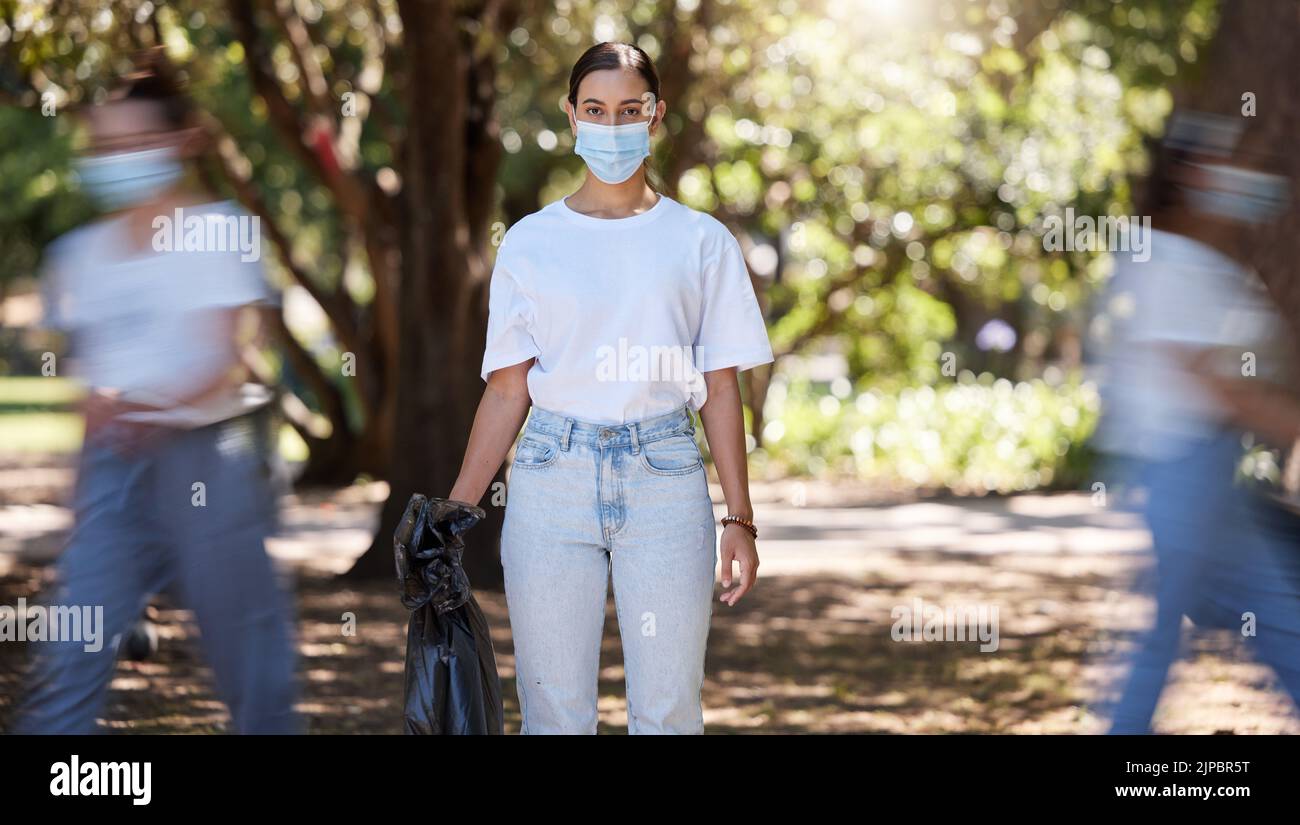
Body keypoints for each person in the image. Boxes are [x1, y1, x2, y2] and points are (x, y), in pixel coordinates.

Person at [446, 42, 774, 734]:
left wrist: (738, 519)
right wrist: (455, 513)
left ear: (656, 117)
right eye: (595, 109)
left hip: (666, 479)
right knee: (555, 714)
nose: (613, 125)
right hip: (549, 478)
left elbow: (720, 388)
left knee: (668, 711)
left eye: (630, 110)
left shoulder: (700, 241)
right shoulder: (531, 242)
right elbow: (508, 391)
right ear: (570, 116)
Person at [12, 62, 300, 734]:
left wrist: (143, 403)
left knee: (251, 668)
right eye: (105, 146)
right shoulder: (77, 254)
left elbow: (226, 359)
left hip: (210, 464)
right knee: (72, 651)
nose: (116, 159)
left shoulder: (221, 232)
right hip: (114, 466)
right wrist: (85, 467)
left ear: (179, 143)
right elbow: (85, 376)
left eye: (134, 143)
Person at [1092, 110, 1300, 733]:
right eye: (1222, 164)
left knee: (1274, 614)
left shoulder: (1202, 262)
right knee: (1164, 634)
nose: (1240, 177)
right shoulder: (1167, 260)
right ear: (1190, 177)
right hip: (1179, 472)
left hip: (1208, 478)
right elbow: (1218, 383)